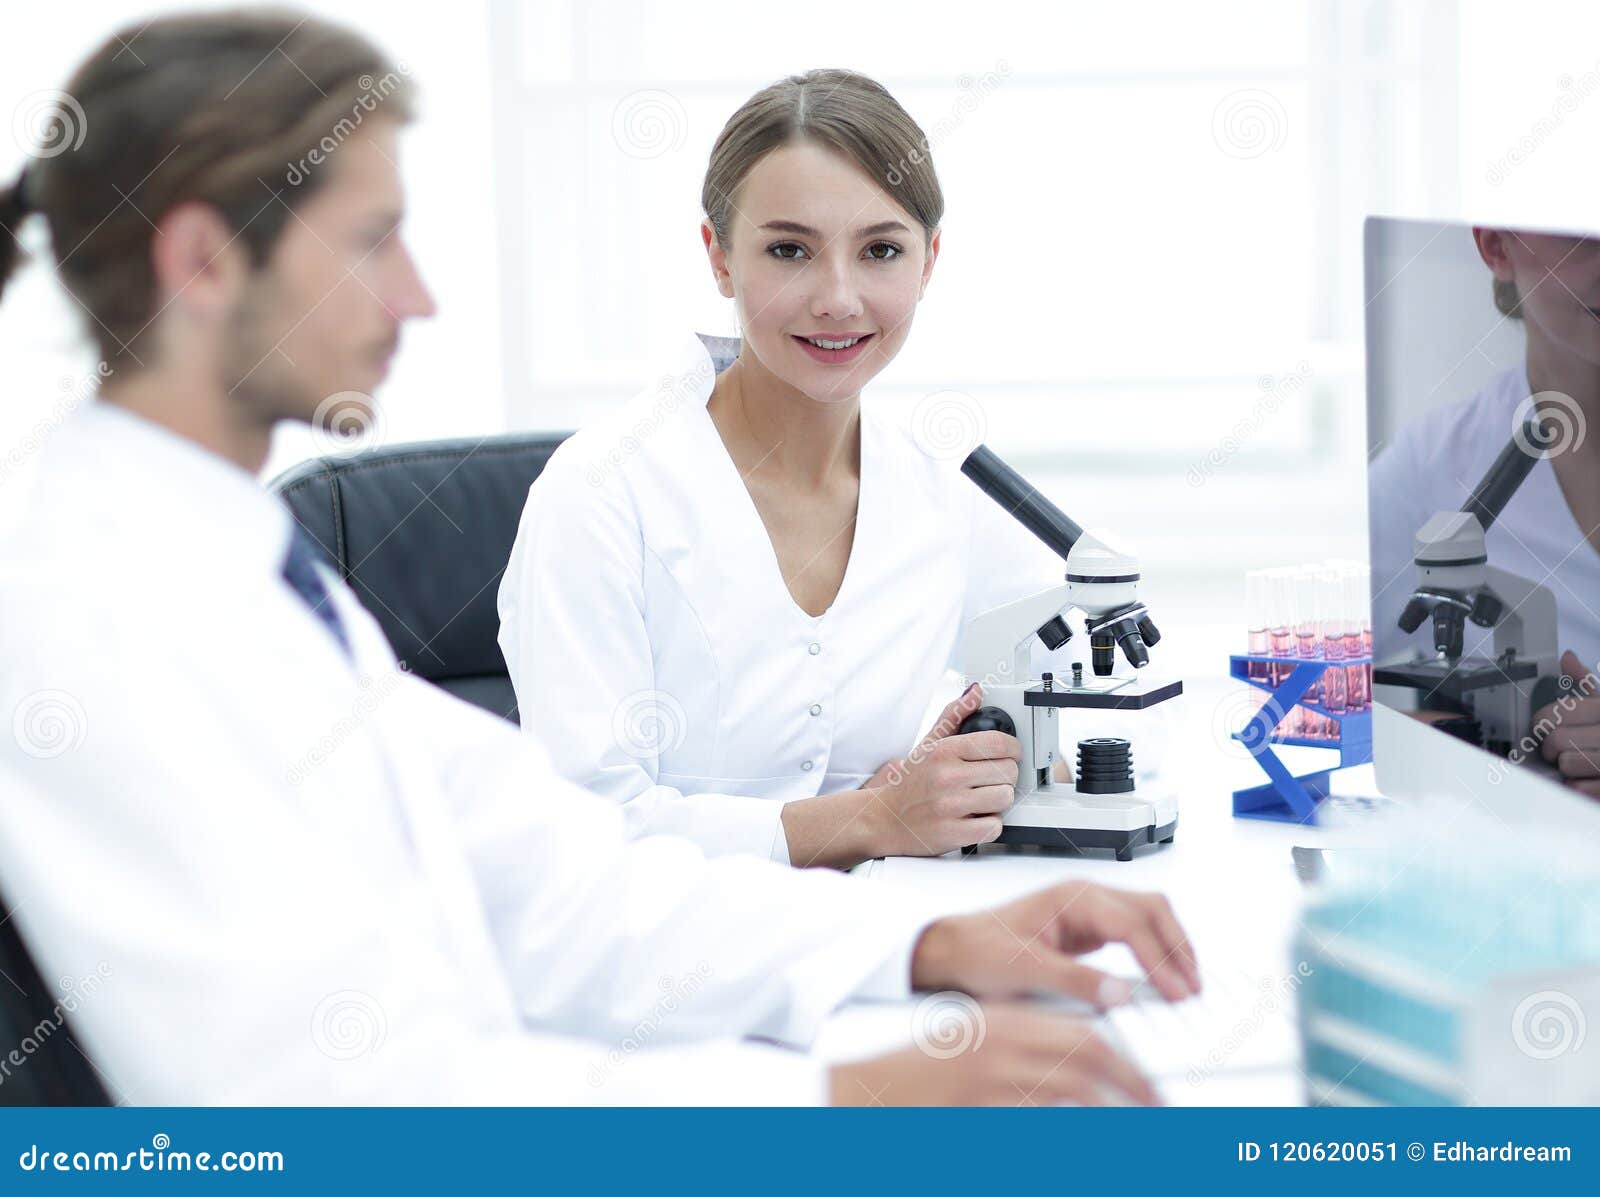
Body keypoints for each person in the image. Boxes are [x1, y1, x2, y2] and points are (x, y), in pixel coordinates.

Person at [0, 10, 1199, 1106]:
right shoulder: (88, 624)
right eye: (373, 242)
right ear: (205, 263)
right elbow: (319, 1099)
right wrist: (842, 1102)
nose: (418, 298)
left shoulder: (245, 567)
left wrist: (921, 946)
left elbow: (562, 885)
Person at [499, 70, 1079, 869]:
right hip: (669, 942)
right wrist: (870, 819)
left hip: (890, 928)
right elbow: (587, 826)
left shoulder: (942, 495)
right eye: (789, 251)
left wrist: (982, 760)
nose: (838, 298)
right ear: (719, 258)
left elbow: (1099, 677)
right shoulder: (599, 494)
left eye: (881, 250)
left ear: (929, 261)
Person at [1368, 227, 1600, 797]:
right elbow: (1315, 685)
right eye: (1583, 235)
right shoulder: (1431, 465)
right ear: (1497, 246)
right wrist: (1420, 737)